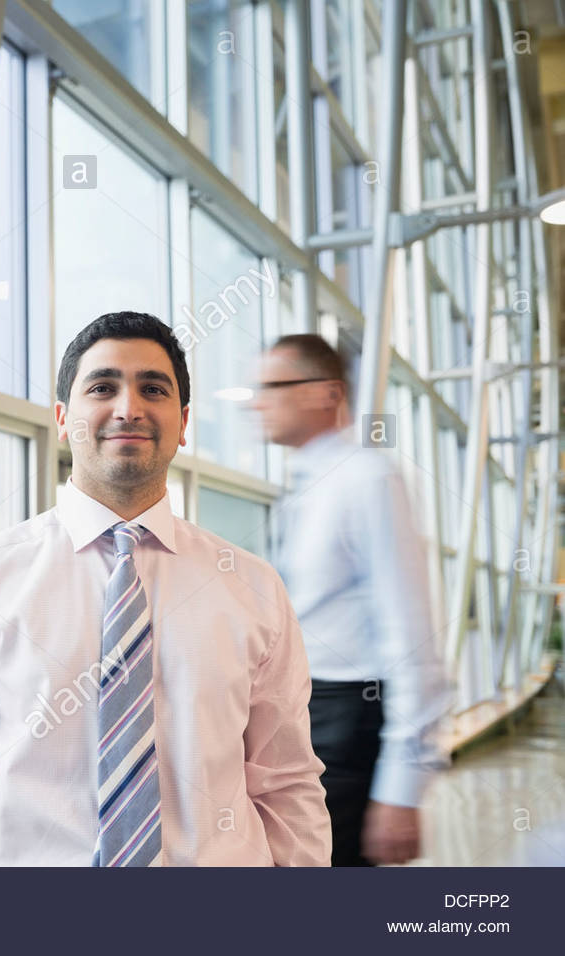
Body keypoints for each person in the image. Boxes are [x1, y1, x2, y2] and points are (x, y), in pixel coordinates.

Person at [0, 312, 332, 866]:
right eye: (102, 387)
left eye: (153, 388)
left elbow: (286, 780)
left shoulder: (253, 587)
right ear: (62, 418)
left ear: (183, 421)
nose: (129, 408)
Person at [253, 334, 450, 866]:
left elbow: (413, 634)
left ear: (326, 392)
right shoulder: (305, 485)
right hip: (304, 714)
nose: (257, 400)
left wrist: (400, 790)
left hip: (348, 719)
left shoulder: (368, 479)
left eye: (273, 386)